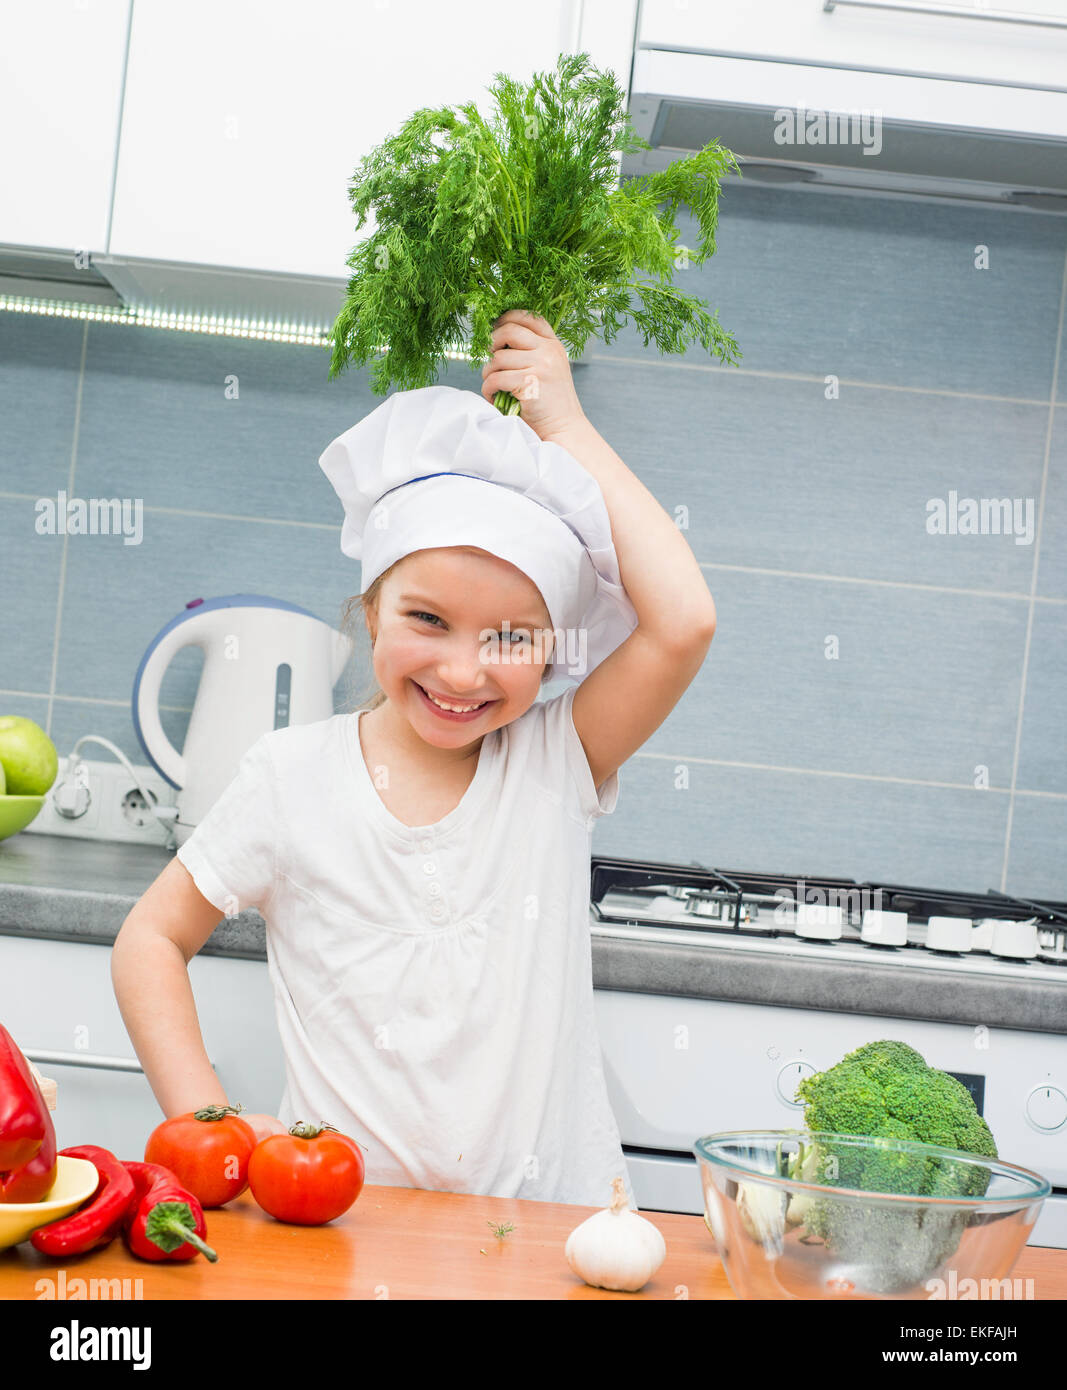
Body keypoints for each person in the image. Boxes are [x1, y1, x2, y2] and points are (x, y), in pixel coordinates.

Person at [111, 310, 717, 1207]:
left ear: (553, 655)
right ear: (369, 611)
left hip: (550, 1232)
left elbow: (685, 620)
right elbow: (150, 940)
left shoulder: (553, 761)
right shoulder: (290, 778)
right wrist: (212, 1131)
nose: (462, 671)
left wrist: (569, 429)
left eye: (511, 637)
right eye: (426, 620)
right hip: (342, 1231)